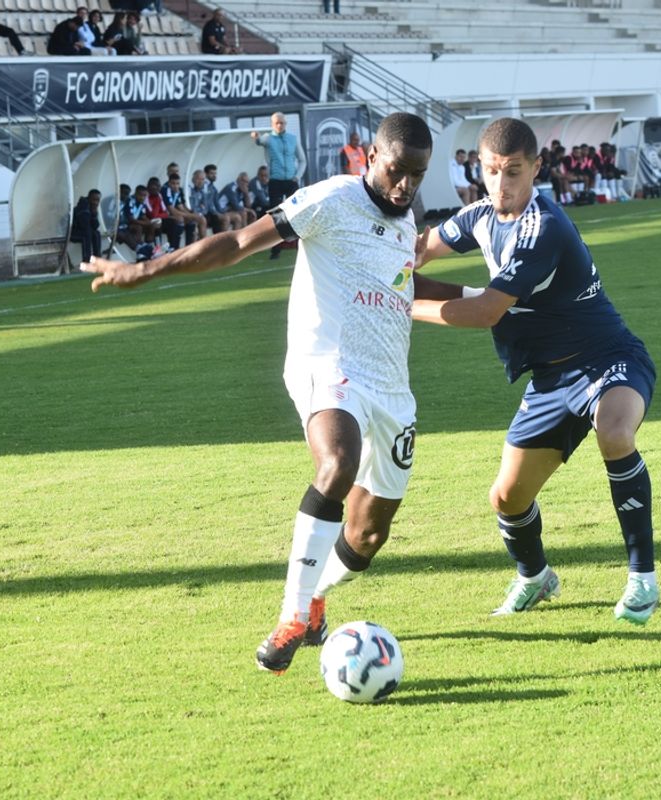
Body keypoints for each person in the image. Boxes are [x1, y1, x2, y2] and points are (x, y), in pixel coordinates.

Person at [82, 112, 456, 674]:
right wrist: (145, 271)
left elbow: (402, 283)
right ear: (372, 156)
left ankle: (319, 594)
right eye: (398, 171)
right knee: (337, 463)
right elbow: (236, 240)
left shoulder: (406, 223)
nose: (406, 185)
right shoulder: (328, 201)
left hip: (391, 389)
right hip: (327, 363)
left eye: (417, 176)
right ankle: (291, 616)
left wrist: (496, 297)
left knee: (368, 535)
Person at [412, 117, 661, 625]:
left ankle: (643, 580)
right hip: (550, 380)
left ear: (536, 169)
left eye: (513, 172)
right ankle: (534, 577)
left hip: (608, 357)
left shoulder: (543, 227)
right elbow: (421, 249)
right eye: (491, 171)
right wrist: (372, 256)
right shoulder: (482, 214)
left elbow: (484, 312)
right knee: (506, 497)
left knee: (614, 432)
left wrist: (394, 303)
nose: (501, 185)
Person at [251, 112, 306, 258]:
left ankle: (300, 246)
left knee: (298, 213)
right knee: (275, 215)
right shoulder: (269, 138)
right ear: (272, 124)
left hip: (291, 181)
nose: (280, 125)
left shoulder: (292, 139)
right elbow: (259, 141)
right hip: (275, 181)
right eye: (277, 123)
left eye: (282, 123)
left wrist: (297, 176)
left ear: (285, 124)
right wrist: (256, 137)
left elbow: (302, 160)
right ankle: (275, 249)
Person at [161, 173, 202, 246]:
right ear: (169, 183)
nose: (176, 186)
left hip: (171, 215)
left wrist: (191, 216)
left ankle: (189, 246)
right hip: (163, 216)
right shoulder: (166, 190)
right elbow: (171, 210)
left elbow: (181, 207)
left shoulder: (178, 190)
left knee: (191, 220)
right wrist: (190, 216)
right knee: (180, 219)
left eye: (177, 183)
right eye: (173, 183)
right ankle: (174, 247)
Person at [70, 189, 105, 264]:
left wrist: (94, 214)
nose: (95, 202)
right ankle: (86, 261)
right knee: (86, 234)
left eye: (97, 200)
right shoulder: (82, 207)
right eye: (93, 199)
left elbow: (95, 227)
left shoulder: (93, 208)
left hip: (82, 232)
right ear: (89, 198)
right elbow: (84, 225)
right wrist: (92, 213)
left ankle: (97, 259)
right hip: (71, 233)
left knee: (96, 233)